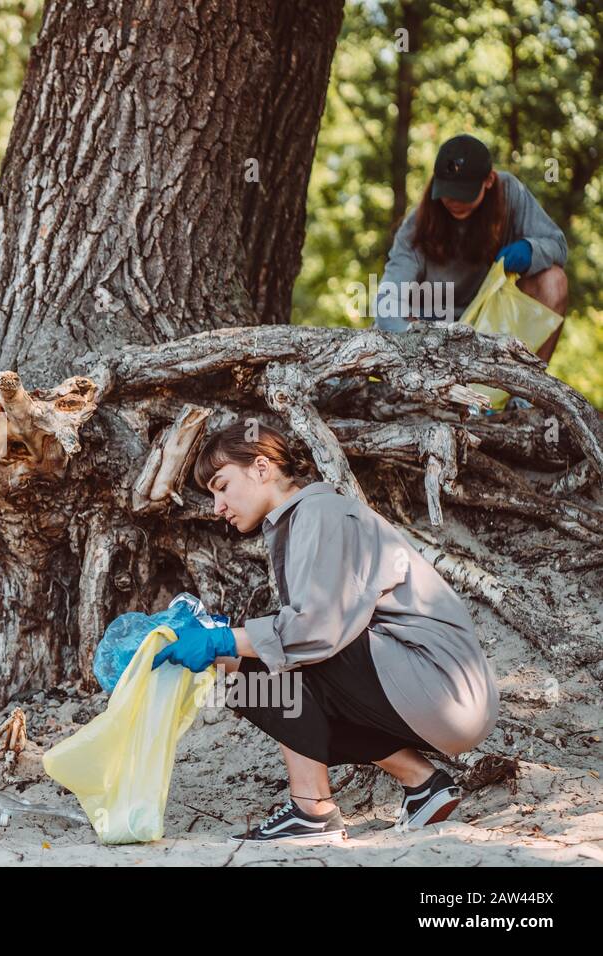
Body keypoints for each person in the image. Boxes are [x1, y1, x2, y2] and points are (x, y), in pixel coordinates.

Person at [154, 422, 499, 843]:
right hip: (443, 696)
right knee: (270, 656)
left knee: (252, 664)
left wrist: (221, 640)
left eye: (222, 486)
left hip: (439, 688)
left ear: (261, 468)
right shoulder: (306, 518)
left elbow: (315, 629)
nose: (217, 507)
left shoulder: (320, 513)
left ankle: (310, 810)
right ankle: (422, 783)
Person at [374, 134, 568, 369]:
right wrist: (412, 348)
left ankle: (526, 392)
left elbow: (557, 244)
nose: (454, 200)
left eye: (463, 192)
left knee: (554, 280)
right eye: (447, 191)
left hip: (491, 321)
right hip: (432, 331)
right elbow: (389, 298)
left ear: (488, 181)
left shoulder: (510, 193)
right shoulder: (416, 226)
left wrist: (531, 250)